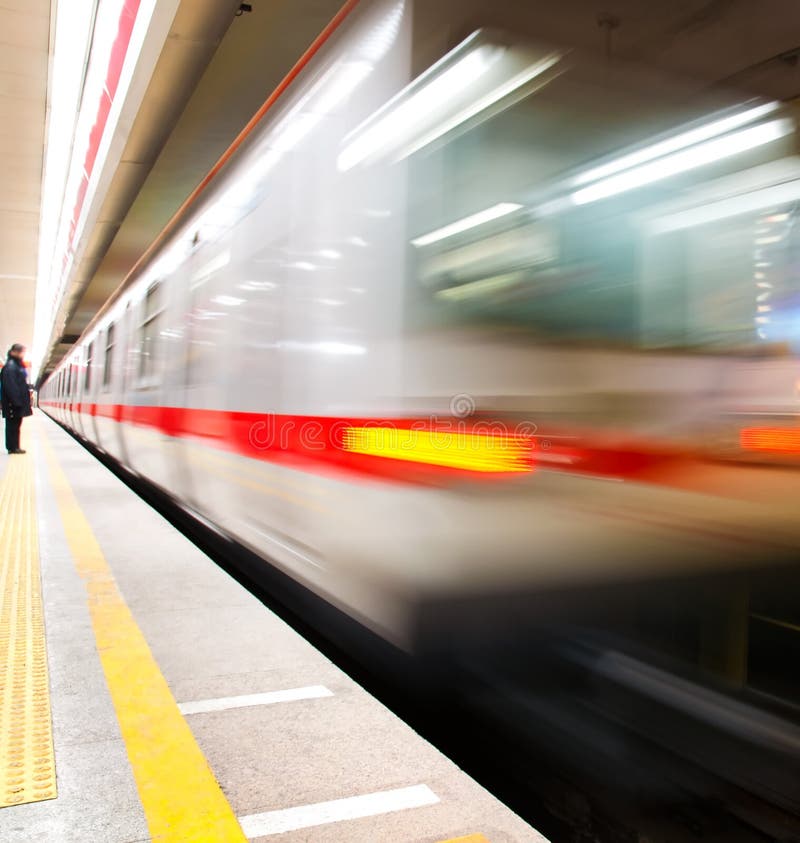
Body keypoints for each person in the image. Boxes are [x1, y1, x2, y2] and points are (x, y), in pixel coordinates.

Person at [1, 344, 32, 454]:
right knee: (12, 426)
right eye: (21, 352)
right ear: (14, 352)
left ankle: (15, 446)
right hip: (12, 404)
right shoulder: (11, 367)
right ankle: (12, 447)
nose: (22, 355)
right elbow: (11, 386)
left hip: (16, 403)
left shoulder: (15, 365)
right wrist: (17, 402)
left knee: (16, 426)